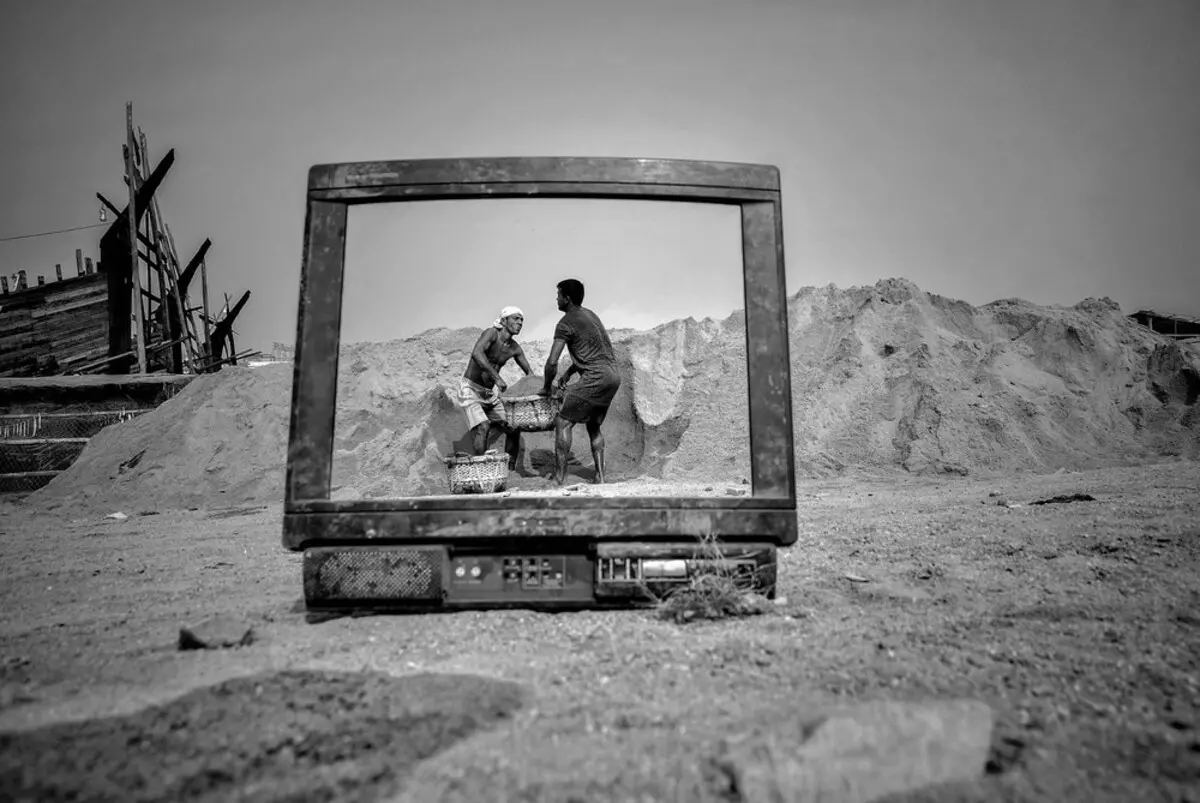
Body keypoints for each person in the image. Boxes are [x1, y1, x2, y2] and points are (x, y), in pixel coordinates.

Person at [539, 279, 621, 484]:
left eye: (558, 294)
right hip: (613, 375)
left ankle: (559, 479)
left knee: (563, 421)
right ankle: (600, 478)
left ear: (567, 298)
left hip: (596, 376)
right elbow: (595, 350)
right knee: (593, 425)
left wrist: (546, 387)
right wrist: (569, 373)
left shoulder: (565, 323)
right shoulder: (591, 315)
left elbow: (551, 362)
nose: (556, 298)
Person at [457, 306, 533, 469]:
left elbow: (530, 375)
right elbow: (477, 354)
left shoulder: (515, 348)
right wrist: (497, 378)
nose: (520, 322)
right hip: (470, 389)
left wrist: (542, 389)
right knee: (483, 426)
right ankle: (481, 470)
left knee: (513, 425)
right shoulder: (491, 333)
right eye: (516, 318)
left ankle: (509, 470)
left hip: (489, 394)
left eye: (522, 320)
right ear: (504, 320)